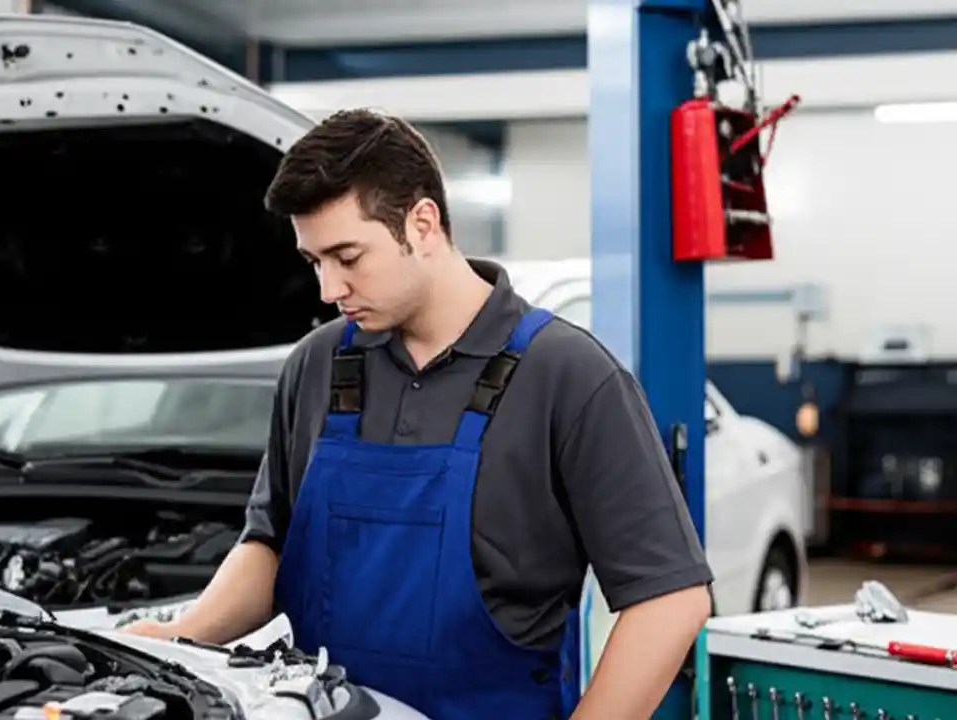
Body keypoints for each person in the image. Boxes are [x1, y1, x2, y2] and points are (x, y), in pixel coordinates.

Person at [122, 108, 713, 719]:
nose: (328, 288)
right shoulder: (317, 366)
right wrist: (179, 639)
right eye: (314, 261)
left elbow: (670, 600)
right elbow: (269, 544)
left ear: (422, 224)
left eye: (348, 257)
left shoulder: (570, 376)